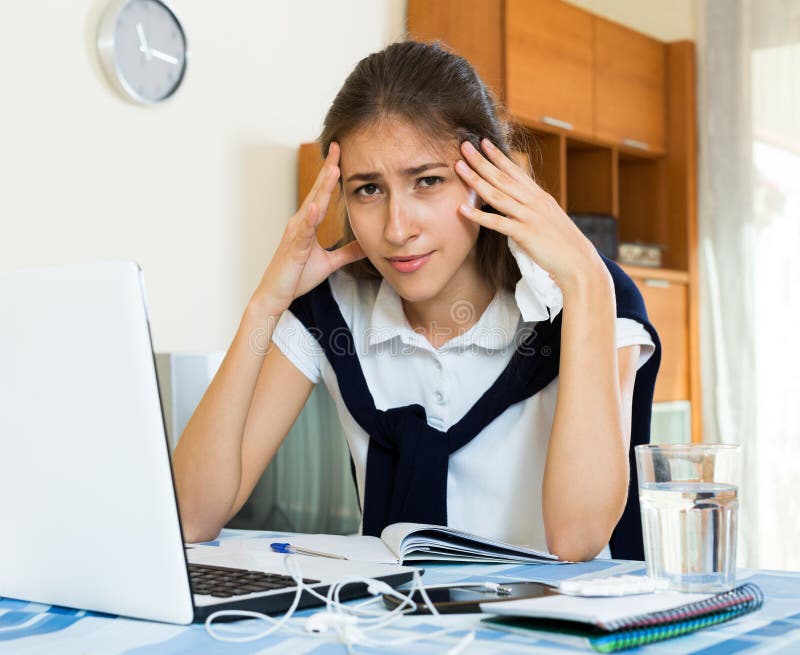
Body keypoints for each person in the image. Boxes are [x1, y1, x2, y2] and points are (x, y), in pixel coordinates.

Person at [173, 40, 659, 562]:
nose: (397, 229)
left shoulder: (586, 296)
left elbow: (577, 540)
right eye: (367, 190)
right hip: (395, 628)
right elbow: (191, 515)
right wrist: (265, 304)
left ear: (487, 179)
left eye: (427, 181)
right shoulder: (331, 311)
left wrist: (587, 280)